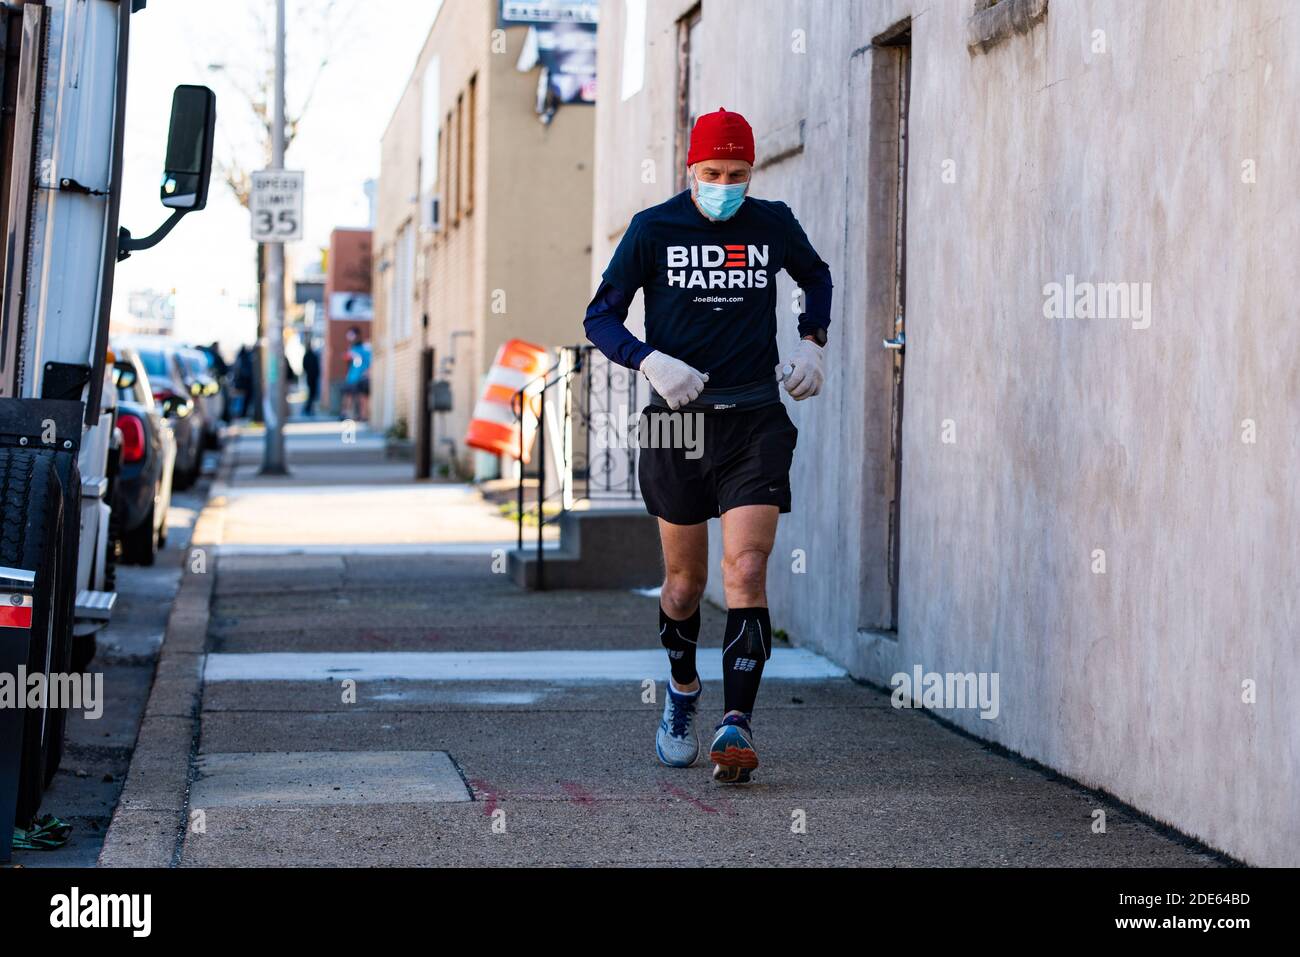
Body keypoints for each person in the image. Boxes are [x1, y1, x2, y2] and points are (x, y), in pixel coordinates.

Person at [584, 108, 833, 783]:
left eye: (738, 174)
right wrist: (648, 360)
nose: (725, 185)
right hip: (678, 422)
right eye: (713, 173)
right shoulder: (653, 228)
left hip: (753, 417)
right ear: (690, 169)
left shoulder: (771, 223)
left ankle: (737, 725)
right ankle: (683, 691)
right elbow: (599, 316)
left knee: (745, 570)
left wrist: (814, 342)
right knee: (684, 584)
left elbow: (817, 275)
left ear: (753, 172)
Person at [341, 326, 371, 421]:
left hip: (361, 377)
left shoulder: (364, 348)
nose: (349, 337)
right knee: (348, 395)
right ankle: (346, 414)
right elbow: (346, 358)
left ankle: (363, 416)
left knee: (362, 397)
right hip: (352, 377)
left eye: (351, 335)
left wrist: (367, 371)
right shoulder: (352, 348)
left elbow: (368, 361)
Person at [302, 339, 321, 417]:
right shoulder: (309, 355)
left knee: (312, 394)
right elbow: (305, 366)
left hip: (313, 377)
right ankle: (307, 409)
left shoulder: (312, 355)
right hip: (311, 377)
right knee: (311, 394)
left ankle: (309, 409)